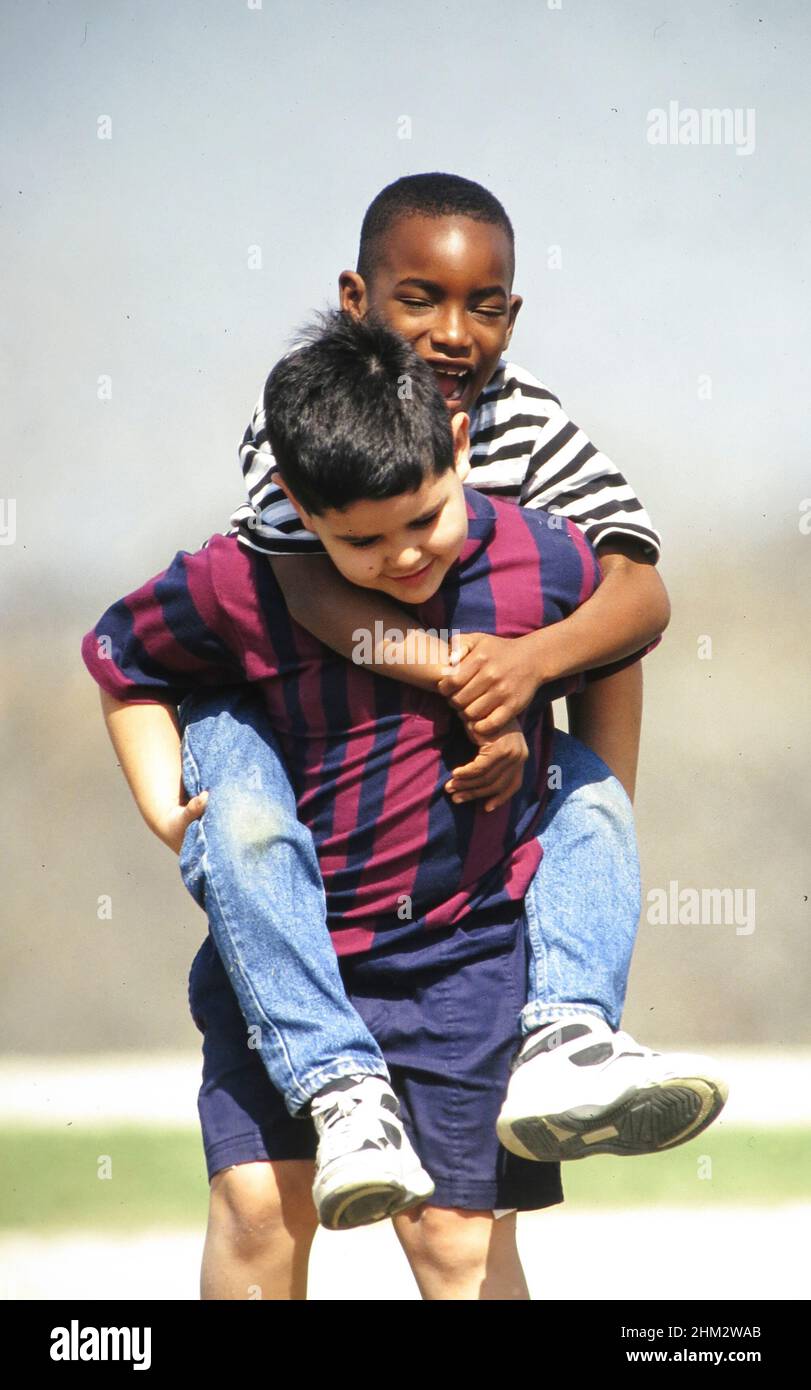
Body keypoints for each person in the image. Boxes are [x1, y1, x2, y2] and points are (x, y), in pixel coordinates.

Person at [91, 172, 728, 1234]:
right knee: (244, 822)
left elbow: (632, 589)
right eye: (417, 299)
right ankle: (335, 1082)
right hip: (297, 727)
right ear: (356, 299)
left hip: (485, 768)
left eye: (483, 305)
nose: (451, 332)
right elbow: (299, 586)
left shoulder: (530, 428)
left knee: (593, 802)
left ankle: (569, 1037)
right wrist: (458, 673)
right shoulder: (309, 421)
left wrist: (528, 691)